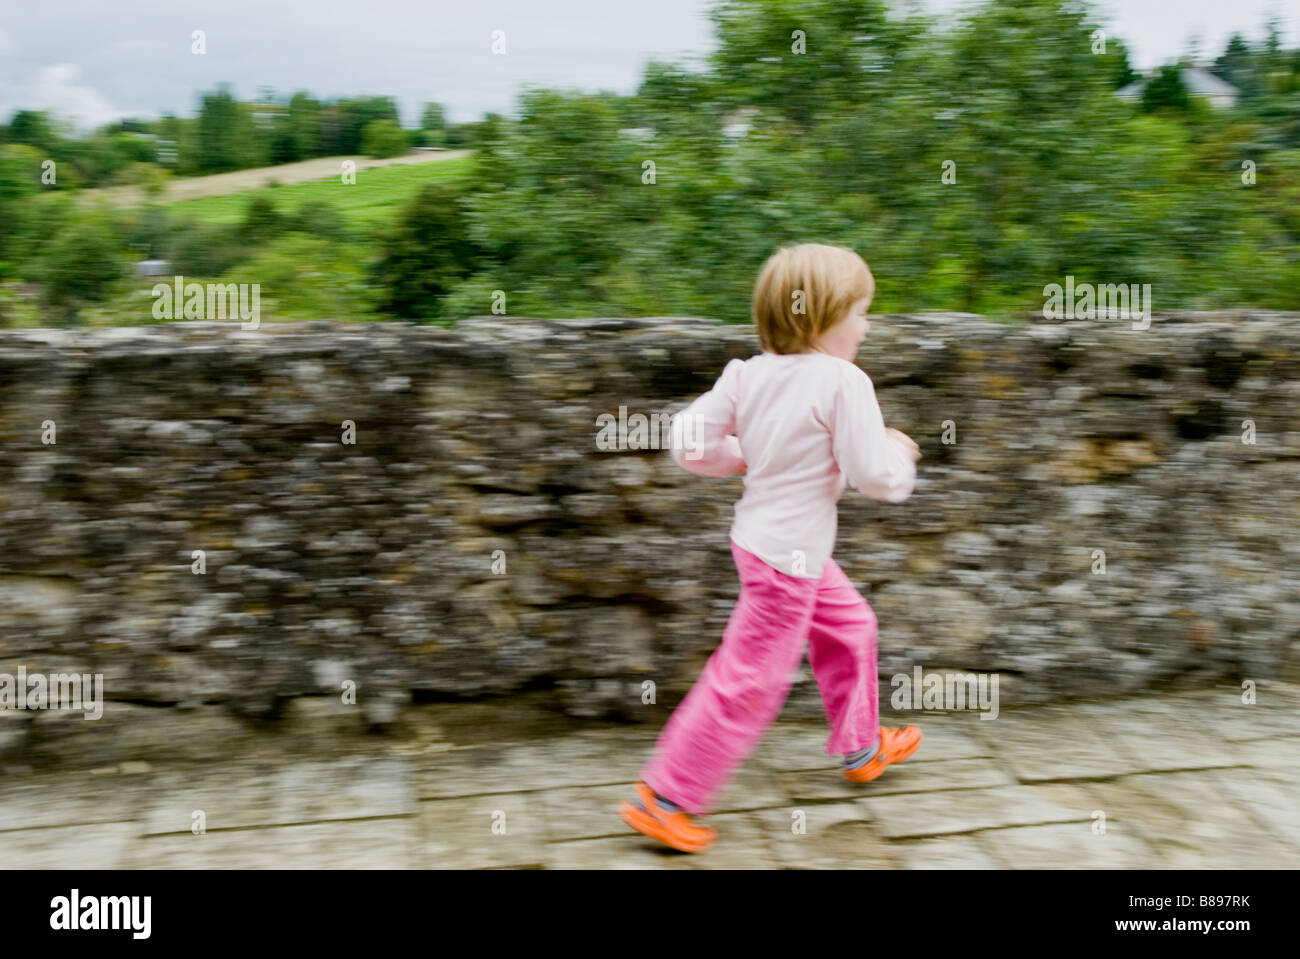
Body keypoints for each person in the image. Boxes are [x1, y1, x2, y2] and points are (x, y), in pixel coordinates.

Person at [619, 243, 924, 853]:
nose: (867, 326)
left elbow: (687, 442)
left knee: (852, 626)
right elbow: (876, 479)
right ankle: (666, 796)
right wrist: (900, 451)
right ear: (822, 316)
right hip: (788, 561)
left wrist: (743, 457)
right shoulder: (844, 381)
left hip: (770, 546)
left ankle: (861, 745)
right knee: (751, 678)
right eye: (861, 312)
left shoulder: (747, 374)